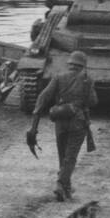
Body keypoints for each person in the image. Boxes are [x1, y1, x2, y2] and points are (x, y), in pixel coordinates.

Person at [29, 50, 97, 201]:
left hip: (60, 120)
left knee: (63, 155)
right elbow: (93, 101)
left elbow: (43, 97)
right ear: (83, 66)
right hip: (78, 122)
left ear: (70, 64)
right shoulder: (87, 80)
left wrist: (34, 124)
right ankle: (60, 183)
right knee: (71, 157)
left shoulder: (59, 77)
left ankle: (66, 187)